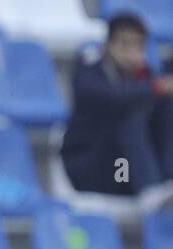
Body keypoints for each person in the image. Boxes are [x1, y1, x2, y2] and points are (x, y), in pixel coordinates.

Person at [62, 10, 173, 196]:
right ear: (108, 45)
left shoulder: (145, 76)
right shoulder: (89, 71)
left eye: (137, 45)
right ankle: (152, 190)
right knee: (128, 115)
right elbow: (109, 96)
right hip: (95, 170)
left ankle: (166, 184)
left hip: (127, 173)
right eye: (124, 44)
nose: (131, 53)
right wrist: (156, 88)